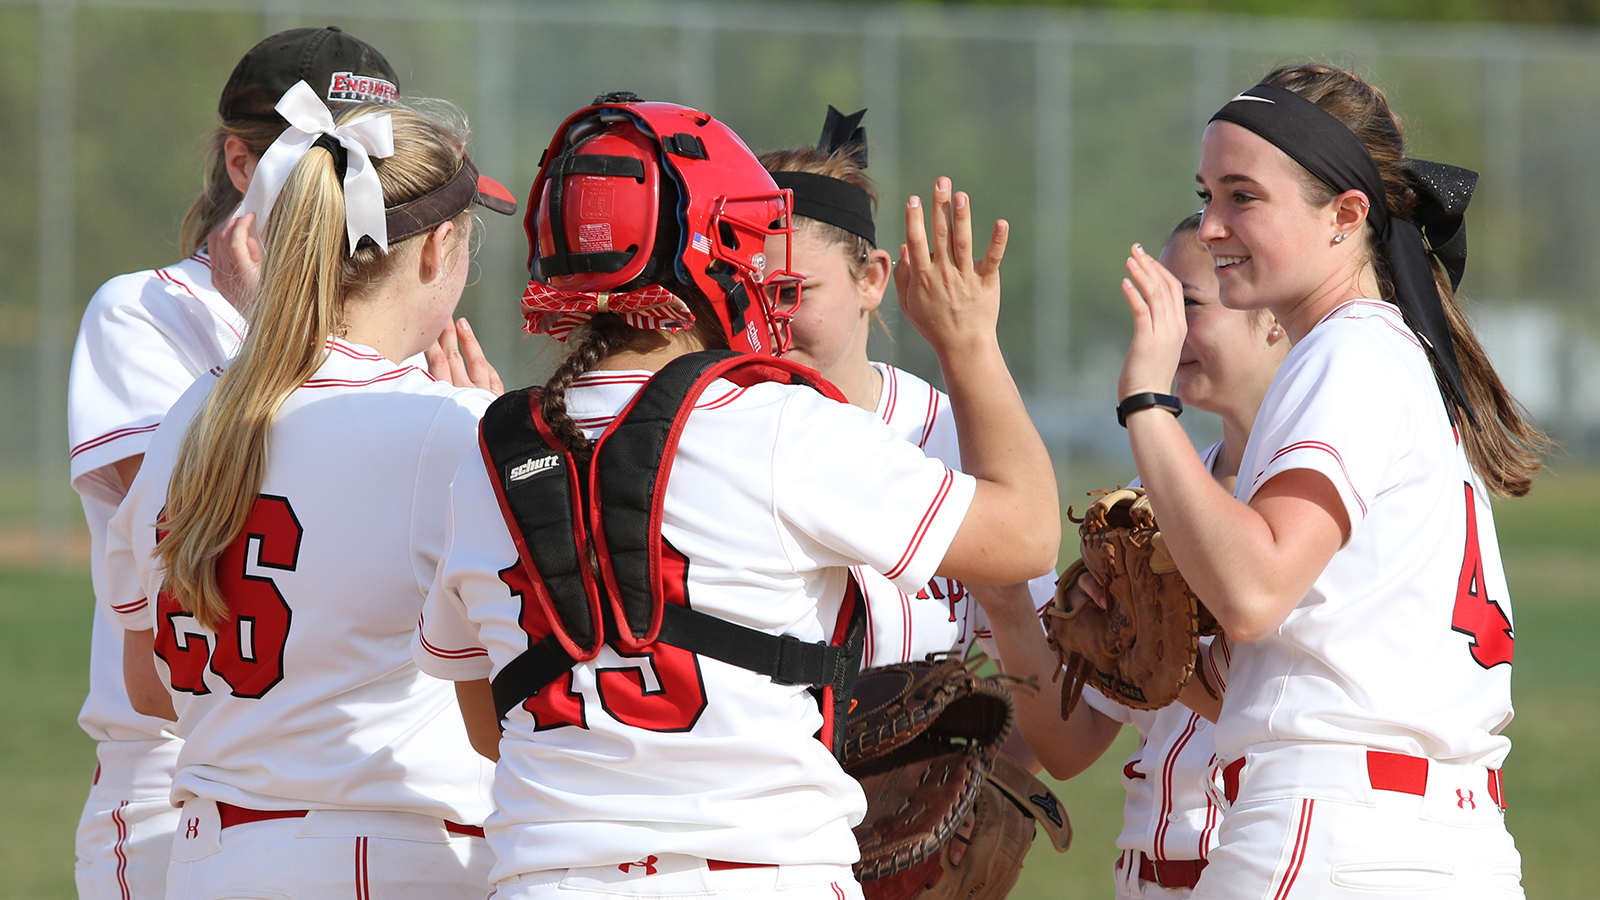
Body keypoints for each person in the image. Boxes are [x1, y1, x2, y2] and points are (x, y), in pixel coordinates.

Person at [412, 95, 1059, 900]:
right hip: (755, 872)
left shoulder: (491, 454)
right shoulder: (781, 423)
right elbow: (1030, 535)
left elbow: (489, 728)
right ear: (708, 251)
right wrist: (968, 344)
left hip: (549, 877)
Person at [1115, 63, 1543, 897]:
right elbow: (1306, 642)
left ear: (1346, 216)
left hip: (1333, 835)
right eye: (1206, 193)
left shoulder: (1346, 349)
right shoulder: (1400, 359)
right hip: (1446, 844)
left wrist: (1147, 405)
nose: (1208, 225)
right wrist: (1180, 666)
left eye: (1243, 196)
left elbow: (1254, 588)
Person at [101, 92, 517, 899]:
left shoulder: (198, 407)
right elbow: (525, 706)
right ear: (437, 250)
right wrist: (504, 444)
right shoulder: (445, 428)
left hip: (209, 859)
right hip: (377, 858)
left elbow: (147, 685)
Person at [65, 26, 404, 900]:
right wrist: (276, 335)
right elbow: (199, 514)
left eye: (371, 159)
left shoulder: (392, 324)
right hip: (174, 785)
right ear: (242, 164)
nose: (352, 182)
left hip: (353, 782)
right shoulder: (146, 312)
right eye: (324, 154)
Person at [975, 212, 1289, 899]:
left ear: (1275, 316)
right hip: (1147, 876)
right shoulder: (1150, 505)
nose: (1162, 332)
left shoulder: (1315, 504)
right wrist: (1008, 606)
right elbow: (1068, 745)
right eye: (1156, 307)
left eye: (1187, 306)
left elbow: (1292, 707)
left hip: (1270, 869)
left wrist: (1157, 661)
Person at [760, 107, 1057, 669]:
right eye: (746, 291)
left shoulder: (955, 436)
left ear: (871, 280)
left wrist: (981, 759)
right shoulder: (714, 432)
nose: (769, 319)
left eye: (793, 291)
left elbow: (1054, 724)